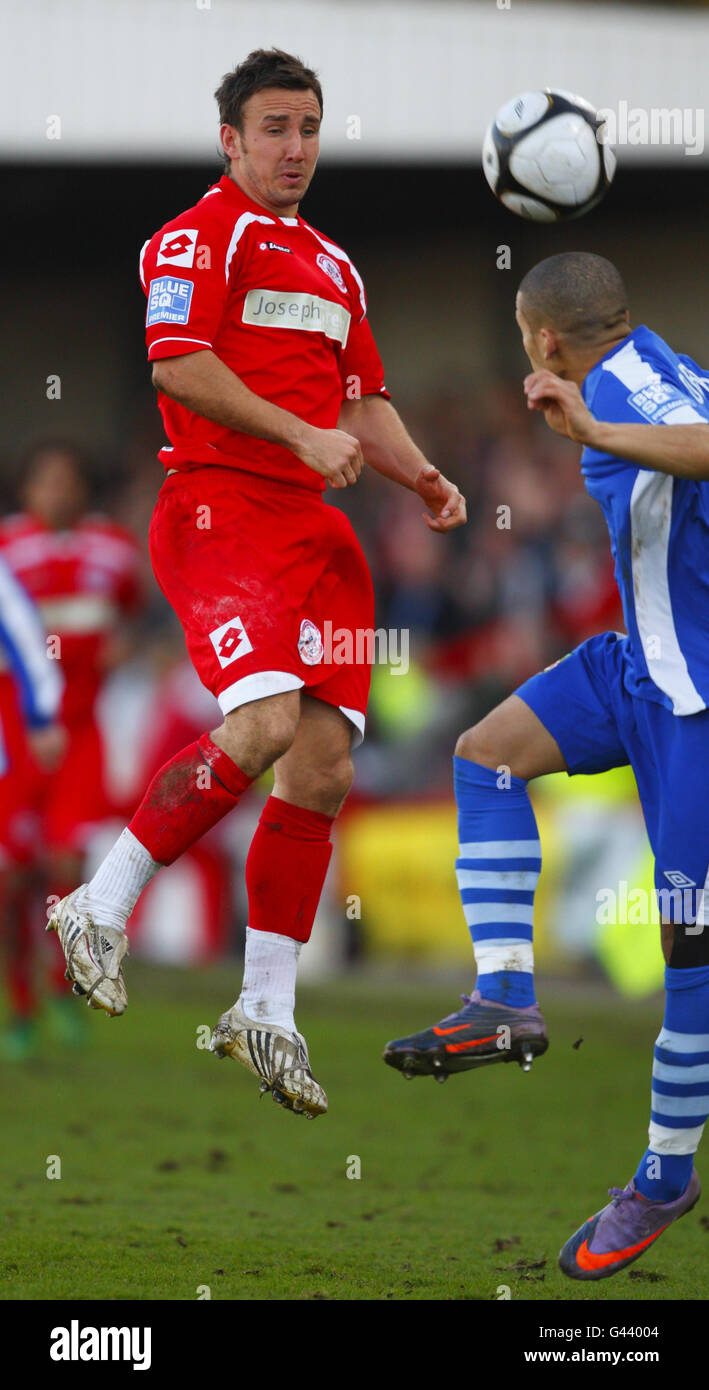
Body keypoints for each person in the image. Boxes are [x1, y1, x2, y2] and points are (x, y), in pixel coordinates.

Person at [48, 48, 466, 1118]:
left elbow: (362, 399)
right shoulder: (195, 236)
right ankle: (98, 902)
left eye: (310, 128)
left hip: (320, 535)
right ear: (230, 139)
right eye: (274, 128)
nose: (295, 148)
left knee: (322, 766)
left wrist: (419, 474)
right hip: (220, 509)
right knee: (270, 720)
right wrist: (296, 431)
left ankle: (265, 1009)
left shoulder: (334, 265)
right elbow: (176, 363)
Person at [385, 251, 709, 1280]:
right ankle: (505, 997)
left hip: (697, 695)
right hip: (637, 669)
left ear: (542, 339)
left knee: (691, 952)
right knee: (484, 756)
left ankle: (662, 1179)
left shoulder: (619, 392)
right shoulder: (662, 362)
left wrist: (592, 430)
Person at [0, 443, 142, 1055]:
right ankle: (20, 1004)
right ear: (28, 490)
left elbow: (134, 613)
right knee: (12, 878)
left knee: (66, 868)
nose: (58, 491)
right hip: (16, 734)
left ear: (83, 490)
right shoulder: (7, 548)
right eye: (46, 480)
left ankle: (63, 986)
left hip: (81, 734)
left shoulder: (114, 549)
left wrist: (125, 644)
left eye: (68, 480)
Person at [0, 550, 64, 1058]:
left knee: (15, 879)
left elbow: (22, 631)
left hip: (10, 742)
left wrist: (41, 716)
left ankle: (30, 1003)